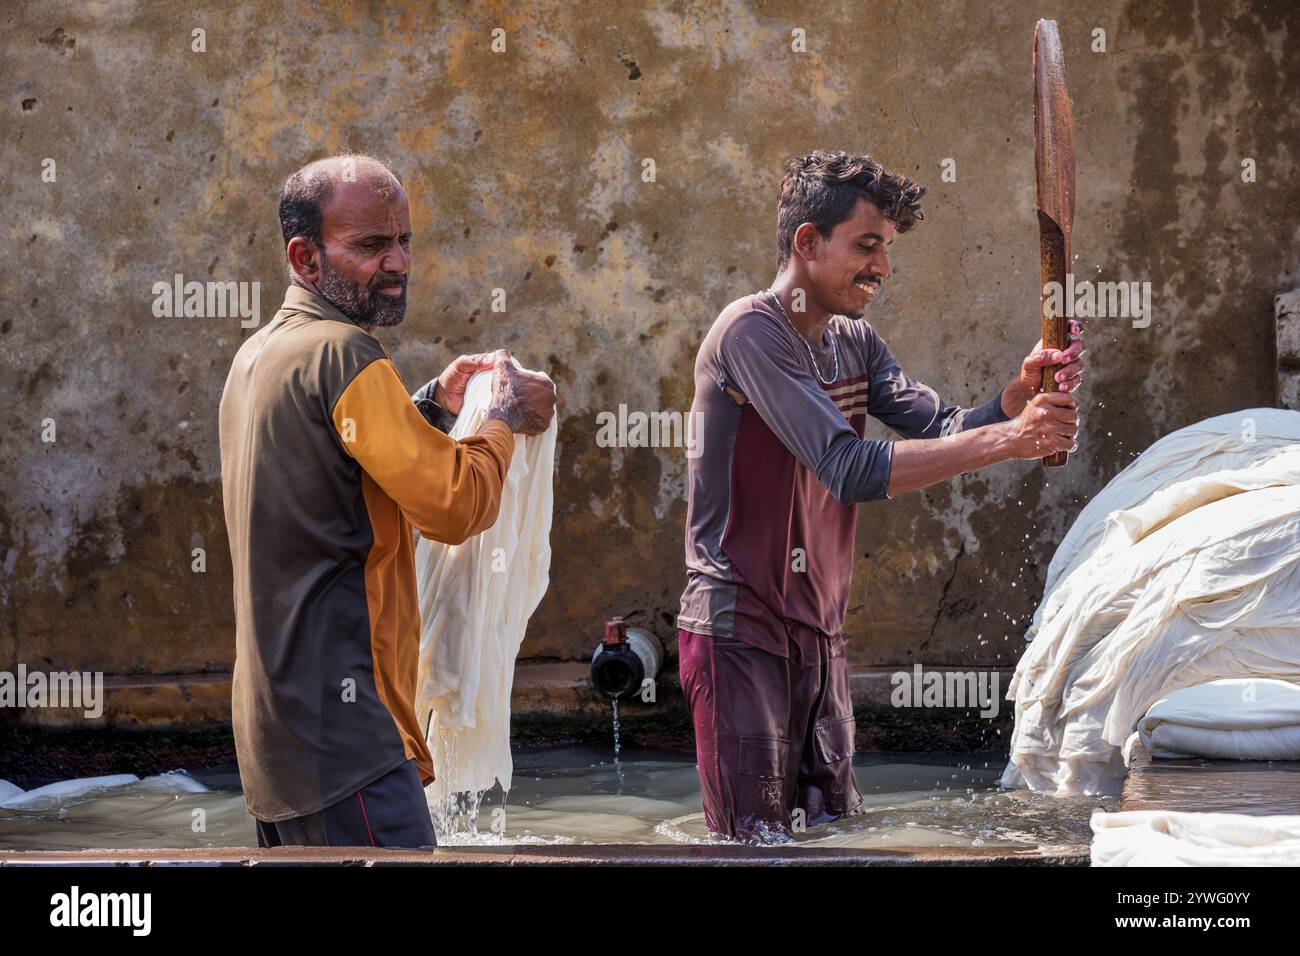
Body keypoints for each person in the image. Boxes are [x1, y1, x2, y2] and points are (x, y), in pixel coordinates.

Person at [677, 150, 1084, 842]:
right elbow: (848, 466)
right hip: (738, 629)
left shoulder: (854, 342)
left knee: (834, 839)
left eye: (887, 248)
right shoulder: (749, 332)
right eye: (867, 246)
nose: (882, 269)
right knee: (753, 849)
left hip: (820, 635)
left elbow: (944, 426)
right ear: (807, 241)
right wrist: (1014, 438)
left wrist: (1014, 401)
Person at [218, 154, 555, 848]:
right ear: (305, 256)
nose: (399, 262)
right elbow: (456, 506)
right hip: (349, 736)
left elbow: (354, 475)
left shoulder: (262, 355)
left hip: (278, 733)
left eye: (404, 241)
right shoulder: (345, 354)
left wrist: (432, 405)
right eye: (372, 245)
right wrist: (502, 417)